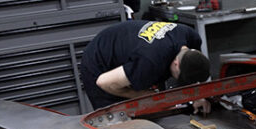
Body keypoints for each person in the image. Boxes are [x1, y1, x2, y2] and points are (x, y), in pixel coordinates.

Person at [78, 19, 210, 110]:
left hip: (131, 51)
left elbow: (192, 70)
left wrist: (198, 97)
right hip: (99, 64)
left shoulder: (191, 37)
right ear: (176, 63)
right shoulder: (150, 62)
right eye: (179, 77)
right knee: (116, 123)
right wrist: (143, 95)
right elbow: (103, 82)